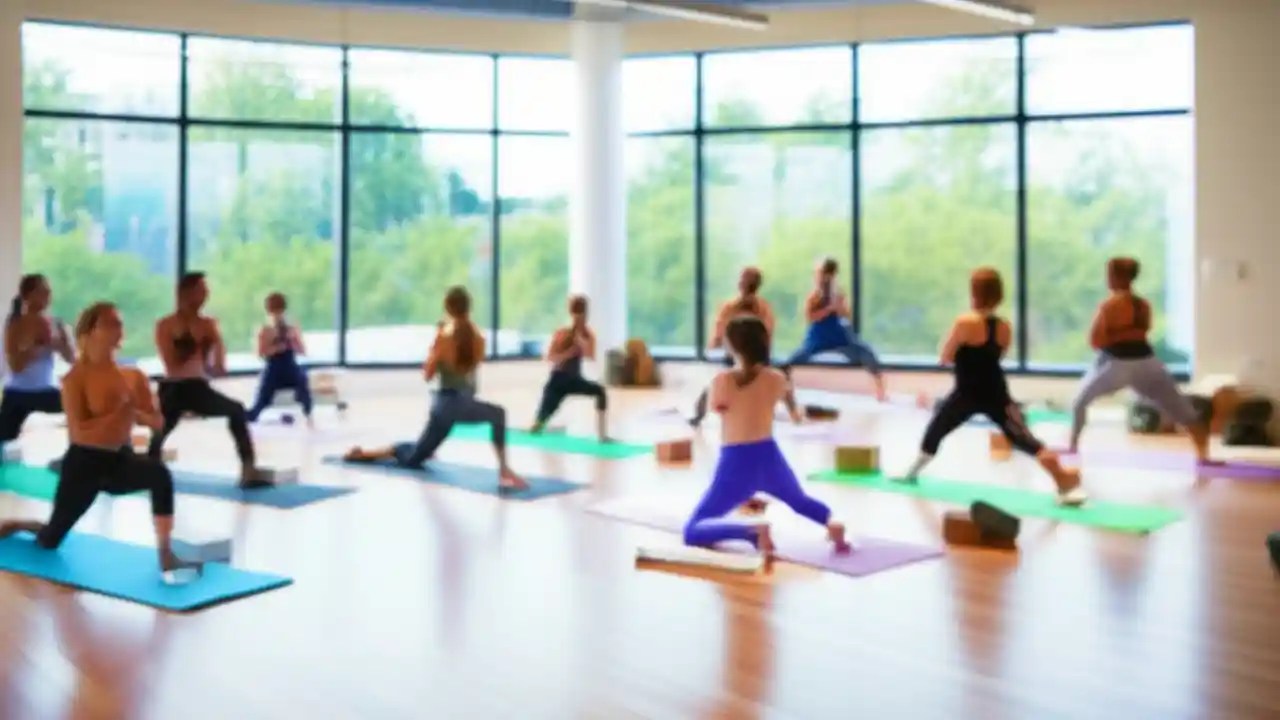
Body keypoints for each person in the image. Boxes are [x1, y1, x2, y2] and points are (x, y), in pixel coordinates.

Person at [0, 302, 202, 575]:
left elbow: (157, 422)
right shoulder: (75, 379)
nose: (119, 329)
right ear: (91, 331)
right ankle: (24, 524)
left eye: (120, 323)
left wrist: (139, 414)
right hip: (83, 464)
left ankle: (165, 554)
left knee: (159, 475)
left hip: (120, 460)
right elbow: (79, 433)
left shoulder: (133, 376)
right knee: (49, 541)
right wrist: (121, 413)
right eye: (110, 323)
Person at [901, 268, 1087, 506]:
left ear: (973, 293)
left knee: (936, 429)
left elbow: (945, 356)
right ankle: (1063, 481)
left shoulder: (965, 322)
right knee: (1026, 439)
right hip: (996, 391)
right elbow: (998, 355)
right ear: (999, 295)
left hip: (967, 392)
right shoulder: (1004, 327)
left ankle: (912, 473)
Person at [683, 315, 850, 556]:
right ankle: (833, 524)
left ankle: (751, 533)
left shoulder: (722, 380)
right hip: (769, 456)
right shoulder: (777, 378)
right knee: (800, 501)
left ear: (731, 345)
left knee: (693, 530)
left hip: (735, 461)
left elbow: (716, 410)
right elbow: (796, 415)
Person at [344, 286, 526, 490]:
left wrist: (436, 348)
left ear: (447, 308)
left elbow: (427, 375)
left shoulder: (445, 337)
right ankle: (504, 469)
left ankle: (364, 454)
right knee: (497, 414)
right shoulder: (478, 338)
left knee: (416, 456)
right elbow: (470, 367)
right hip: (457, 404)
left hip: (445, 405)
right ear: (469, 307)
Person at [1068, 257, 1211, 461]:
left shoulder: (1109, 306)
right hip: (1148, 362)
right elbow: (1143, 331)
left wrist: (1115, 335)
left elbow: (1095, 341)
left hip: (1117, 364)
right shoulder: (1144, 305)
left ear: (1115, 277)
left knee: (1079, 402)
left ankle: (1073, 448)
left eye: (1109, 274)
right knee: (1182, 410)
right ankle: (1204, 456)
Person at [150, 272, 269, 489]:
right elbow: (172, 362)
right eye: (200, 291)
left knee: (236, 410)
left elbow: (216, 368)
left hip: (198, 386)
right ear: (186, 294)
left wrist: (214, 340)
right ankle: (149, 467)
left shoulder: (206, 324)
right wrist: (194, 337)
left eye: (206, 292)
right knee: (162, 427)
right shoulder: (166, 325)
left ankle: (248, 470)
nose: (205, 297)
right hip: (175, 387)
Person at [780, 258, 887, 402]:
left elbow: (847, 316)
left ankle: (880, 391)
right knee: (790, 361)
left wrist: (839, 307)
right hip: (818, 340)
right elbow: (809, 317)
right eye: (824, 274)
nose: (827, 278)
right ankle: (785, 393)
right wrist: (828, 309)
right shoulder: (814, 296)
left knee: (866, 352)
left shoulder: (839, 294)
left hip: (839, 339)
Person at [691, 267, 775, 428]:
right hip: (733, 355)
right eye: (743, 281)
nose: (745, 285)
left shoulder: (764, 309)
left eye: (749, 282)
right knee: (716, 381)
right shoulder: (730, 307)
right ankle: (699, 413)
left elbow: (767, 336)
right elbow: (718, 334)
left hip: (757, 357)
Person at [1, 274, 74, 447]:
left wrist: (61, 344)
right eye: (42, 291)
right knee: (5, 444)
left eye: (49, 292)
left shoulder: (56, 323)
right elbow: (15, 366)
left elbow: (71, 359)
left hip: (47, 391)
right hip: (18, 394)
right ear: (28, 296)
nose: (48, 296)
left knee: (70, 426)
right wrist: (35, 346)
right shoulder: (15, 325)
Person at [531, 295, 610, 441]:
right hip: (557, 381)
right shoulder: (562, 333)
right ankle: (538, 424)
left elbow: (590, 355)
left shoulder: (587, 334)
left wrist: (581, 341)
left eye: (582, 313)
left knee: (600, 391)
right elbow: (550, 357)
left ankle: (602, 435)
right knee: (539, 422)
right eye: (577, 312)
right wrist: (569, 353)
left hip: (574, 380)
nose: (580, 316)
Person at [246, 292, 314, 426]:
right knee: (263, 394)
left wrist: (292, 340)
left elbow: (302, 350)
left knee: (302, 379)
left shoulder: (291, 327)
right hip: (273, 367)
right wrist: (275, 347)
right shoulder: (265, 329)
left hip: (290, 365)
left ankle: (307, 409)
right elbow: (260, 353)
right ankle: (254, 413)